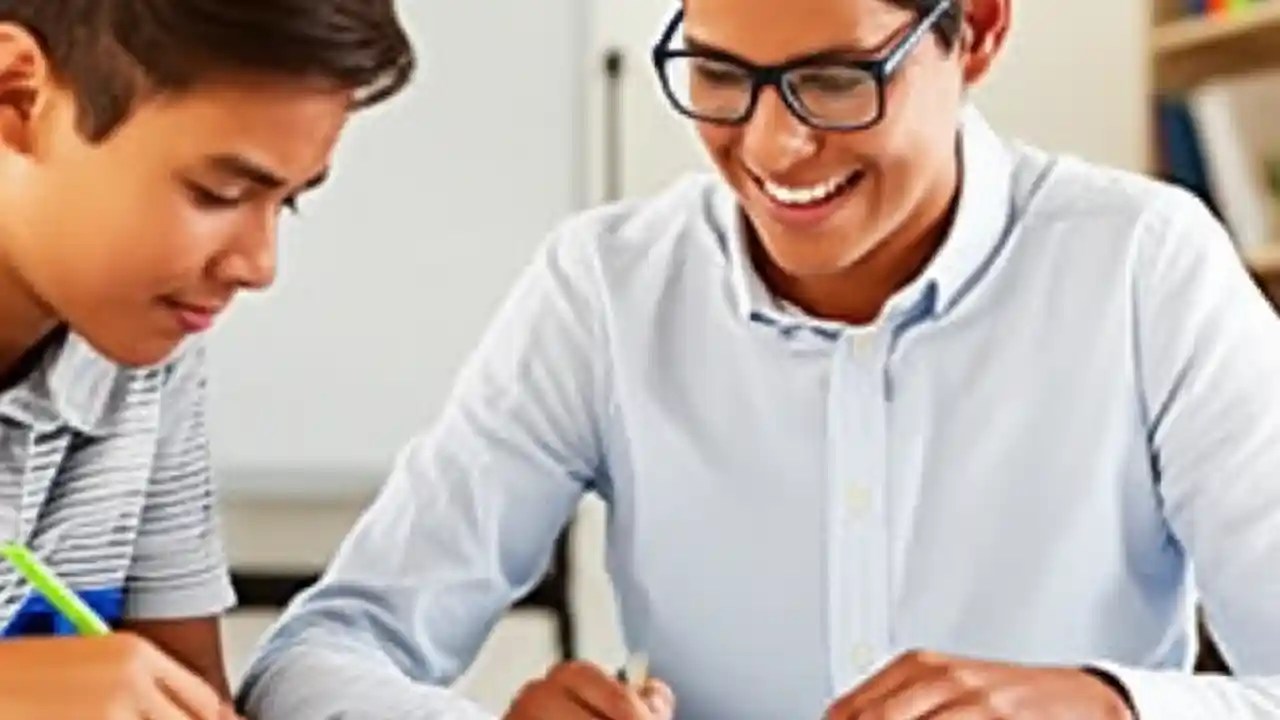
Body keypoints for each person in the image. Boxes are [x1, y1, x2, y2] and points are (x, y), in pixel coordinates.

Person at [238, 0, 1280, 717]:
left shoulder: (1142, 267)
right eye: (719, 75)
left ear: (975, 31)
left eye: (834, 81)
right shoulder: (606, 287)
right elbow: (316, 665)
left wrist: (1102, 703)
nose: (775, 147)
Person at [0, 0, 412, 718]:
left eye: (287, 204)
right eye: (216, 193)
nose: (259, 265)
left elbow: (191, 699)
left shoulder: (141, 356)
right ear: (17, 93)